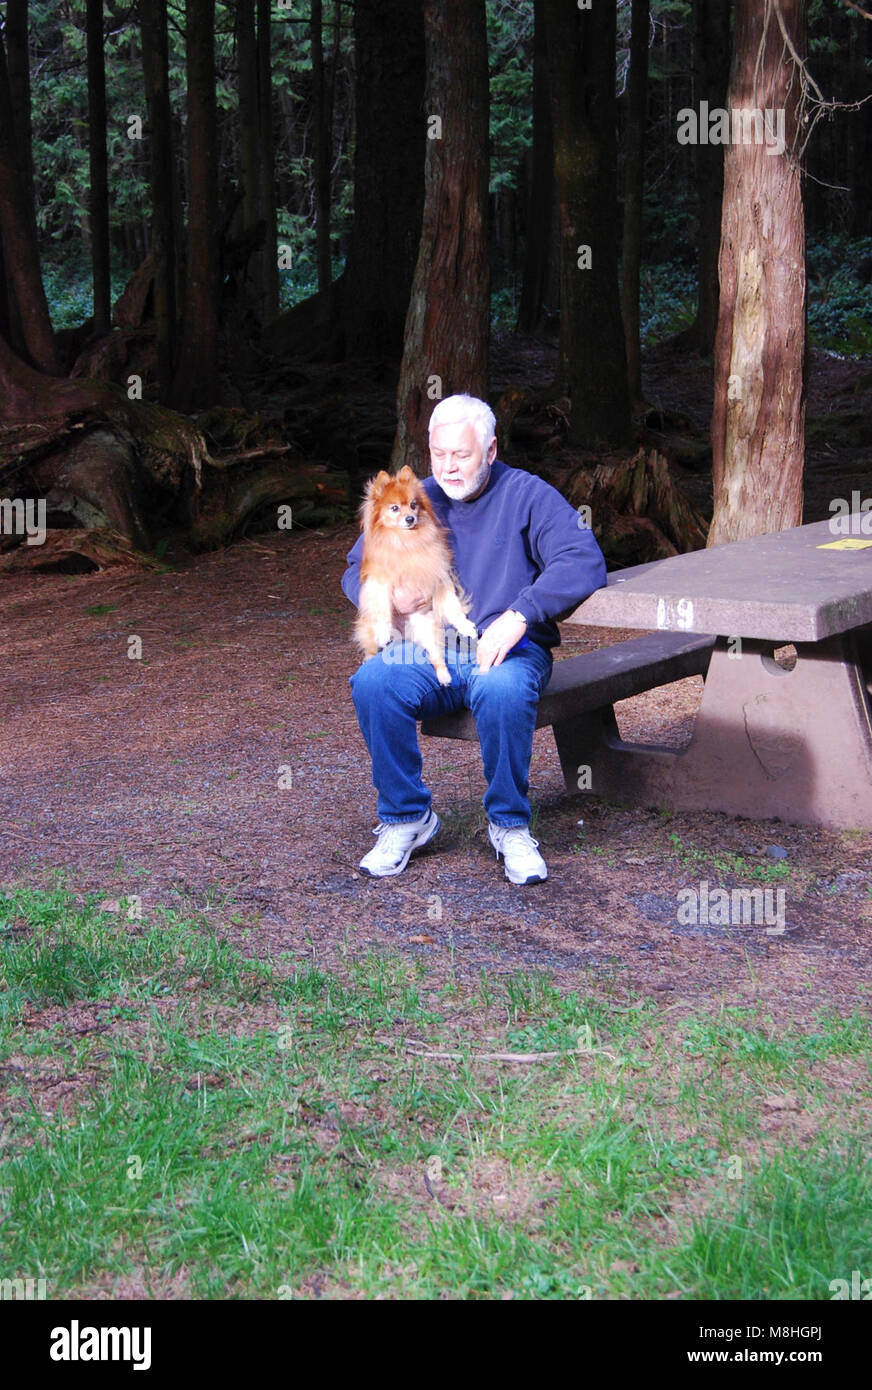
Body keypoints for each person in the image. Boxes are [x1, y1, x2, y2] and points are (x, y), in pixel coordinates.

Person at [341, 393, 607, 884]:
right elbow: (357, 567)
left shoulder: (527, 495)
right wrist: (389, 600)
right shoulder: (414, 498)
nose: (448, 467)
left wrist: (521, 613)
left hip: (510, 649)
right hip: (430, 648)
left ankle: (509, 825)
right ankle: (406, 818)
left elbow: (583, 559)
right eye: (439, 454)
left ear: (489, 452)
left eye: (461, 455)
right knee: (374, 681)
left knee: (501, 689)